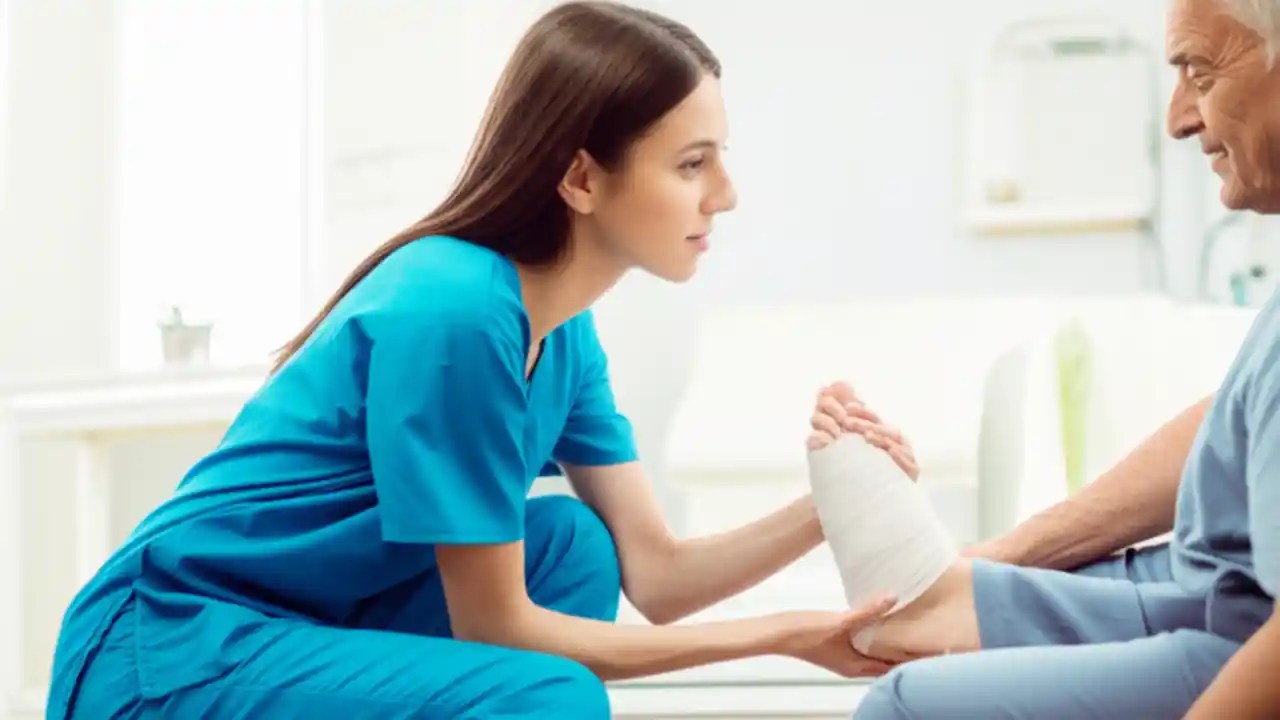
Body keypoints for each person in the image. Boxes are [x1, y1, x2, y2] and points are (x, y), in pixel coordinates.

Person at [47, 3, 908, 719]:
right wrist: (781, 634)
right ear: (581, 179)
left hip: (301, 624)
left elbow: (658, 575)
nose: (726, 194)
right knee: (550, 691)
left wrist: (834, 499)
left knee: (573, 547)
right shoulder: (456, 312)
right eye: (692, 164)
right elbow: (498, 628)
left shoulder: (562, 330)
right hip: (169, 647)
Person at [805, 1, 1280, 716]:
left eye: (1202, 75)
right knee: (1000, 593)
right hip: (1210, 580)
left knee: (907, 705)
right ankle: (945, 593)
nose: (1178, 119)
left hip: (1237, 623)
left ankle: (946, 599)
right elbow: (1240, 423)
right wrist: (995, 560)